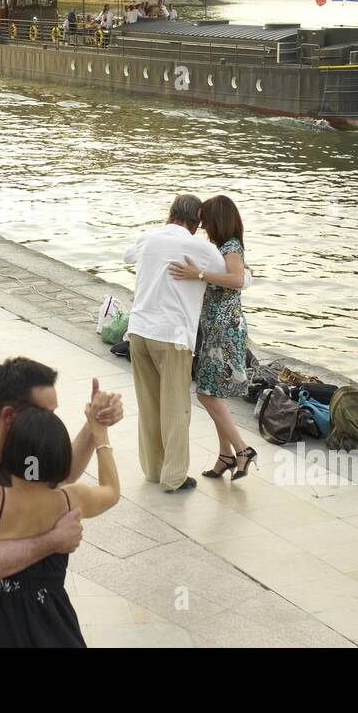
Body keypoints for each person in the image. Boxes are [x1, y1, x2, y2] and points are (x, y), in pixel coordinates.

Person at [0, 357, 124, 648]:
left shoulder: (23, 453)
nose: (52, 424)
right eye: (46, 414)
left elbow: (61, 476)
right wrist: (53, 541)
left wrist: (95, 424)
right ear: (9, 417)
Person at [123, 194, 244, 493]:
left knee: (149, 404)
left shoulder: (148, 237)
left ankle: (153, 470)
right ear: (197, 218)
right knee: (176, 408)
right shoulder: (199, 248)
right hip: (173, 337)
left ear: (171, 213)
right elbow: (235, 277)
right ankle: (174, 476)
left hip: (138, 330)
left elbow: (128, 256)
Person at [167, 195, 257, 480]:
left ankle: (243, 450)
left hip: (224, 331)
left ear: (218, 220)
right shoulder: (225, 247)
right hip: (217, 329)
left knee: (206, 394)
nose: (203, 227)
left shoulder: (231, 246)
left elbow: (237, 279)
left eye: (206, 222)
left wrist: (200, 274)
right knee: (213, 392)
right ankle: (225, 456)